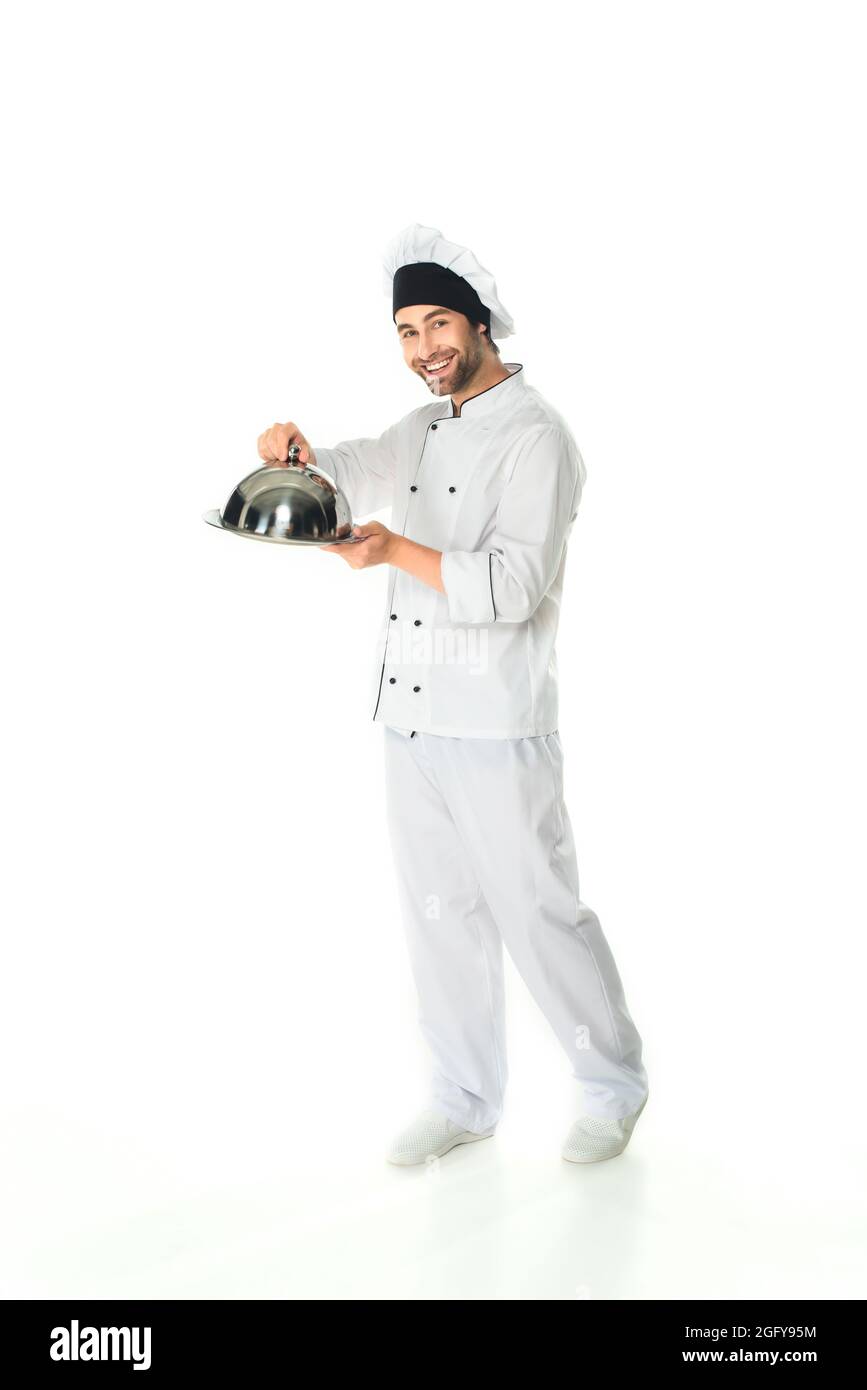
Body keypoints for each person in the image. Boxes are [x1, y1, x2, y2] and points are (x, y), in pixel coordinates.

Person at [257, 223, 649, 1166]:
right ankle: (465, 1097)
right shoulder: (426, 426)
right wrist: (300, 456)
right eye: (405, 330)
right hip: (410, 715)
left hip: (496, 719)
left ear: (479, 324)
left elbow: (513, 587)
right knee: (439, 913)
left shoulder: (537, 436)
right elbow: (357, 466)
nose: (423, 347)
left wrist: (394, 549)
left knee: (538, 912)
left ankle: (612, 1087)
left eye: (438, 323)